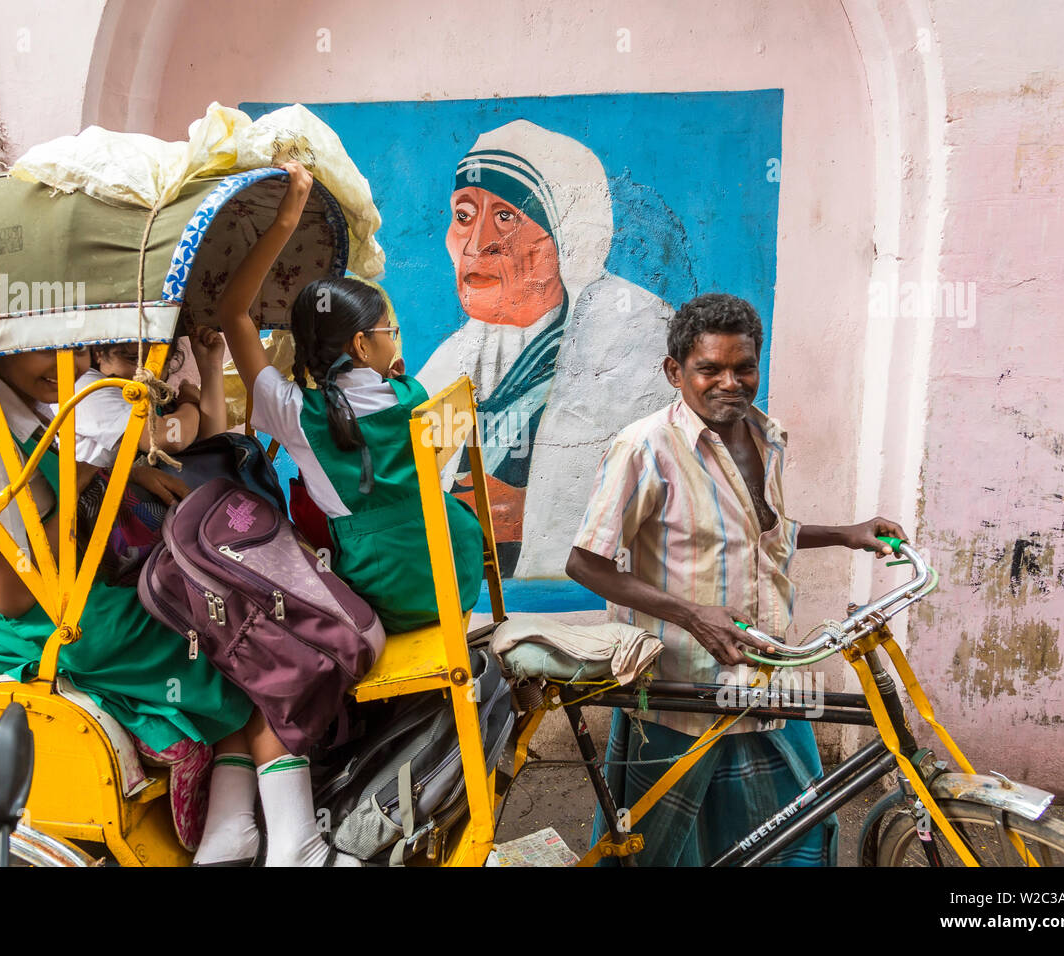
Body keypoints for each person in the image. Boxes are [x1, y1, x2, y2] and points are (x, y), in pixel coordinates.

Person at [0, 348, 285, 864]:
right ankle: (243, 833)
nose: (68, 366)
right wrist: (87, 474)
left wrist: (127, 473)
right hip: (20, 625)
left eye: (77, 349)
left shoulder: (24, 415)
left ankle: (234, 826)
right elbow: (9, 594)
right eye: (44, 350)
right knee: (233, 636)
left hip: (62, 594)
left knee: (223, 609)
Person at [565, 293, 907, 866]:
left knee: (796, 830)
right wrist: (693, 615)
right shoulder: (643, 448)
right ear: (675, 372)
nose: (730, 382)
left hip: (770, 671)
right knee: (662, 850)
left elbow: (761, 537)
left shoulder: (765, 437)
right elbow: (586, 564)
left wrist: (848, 533)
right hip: (681, 689)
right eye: (710, 369)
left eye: (744, 367)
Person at [222, 163, 485, 635]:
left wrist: (286, 220)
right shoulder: (414, 393)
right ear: (362, 346)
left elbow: (233, 314)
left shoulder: (296, 413)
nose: (396, 342)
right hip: (459, 568)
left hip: (390, 595)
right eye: (391, 332)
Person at [418, 119, 673, 578]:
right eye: (463, 216)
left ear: (566, 238)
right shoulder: (449, 362)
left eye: (505, 216)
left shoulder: (636, 337)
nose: (478, 246)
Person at [69, 329, 227, 467]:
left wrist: (211, 365)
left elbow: (213, 443)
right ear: (99, 353)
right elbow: (170, 438)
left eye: (161, 363)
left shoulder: (154, 397)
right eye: (133, 359)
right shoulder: (84, 386)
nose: (147, 372)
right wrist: (189, 402)